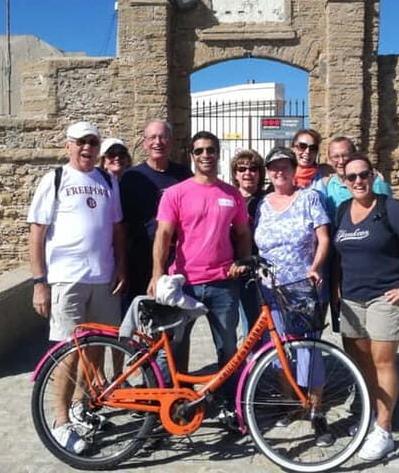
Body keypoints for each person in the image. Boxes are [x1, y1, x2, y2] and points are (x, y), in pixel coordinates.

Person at [27, 121, 127, 454]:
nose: (88, 148)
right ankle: (59, 422)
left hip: (103, 277)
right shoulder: (55, 179)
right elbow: (37, 233)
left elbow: (117, 229)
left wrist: (122, 266)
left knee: (95, 349)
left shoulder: (107, 180)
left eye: (93, 143)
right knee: (68, 352)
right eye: (81, 142)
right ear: (68, 145)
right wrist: (39, 283)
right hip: (67, 279)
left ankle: (80, 406)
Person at [332, 152, 399, 462]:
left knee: (383, 360)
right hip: (351, 298)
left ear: (372, 176)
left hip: (385, 296)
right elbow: (337, 254)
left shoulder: (389, 207)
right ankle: (372, 416)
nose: (358, 181)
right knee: (360, 361)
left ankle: (384, 430)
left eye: (363, 174)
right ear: (344, 182)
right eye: (351, 177)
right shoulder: (342, 210)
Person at [149, 131, 251, 407]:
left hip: (222, 284)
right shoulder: (176, 193)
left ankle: (228, 403)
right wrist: (158, 275)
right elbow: (163, 236)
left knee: (228, 349)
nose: (205, 155)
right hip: (185, 284)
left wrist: (242, 263)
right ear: (192, 155)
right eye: (199, 151)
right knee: (174, 347)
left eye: (211, 150)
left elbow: (242, 233)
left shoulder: (232, 194)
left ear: (218, 153)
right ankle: (167, 405)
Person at [253, 146, 332, 446]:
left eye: (284, 165)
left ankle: (315, 410)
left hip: (300, 287)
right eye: (273, 167)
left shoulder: (309, 198)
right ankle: (292, 404)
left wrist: (315, 266)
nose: (279, 171)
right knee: (278, 349)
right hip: (268, 288)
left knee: (307, 351)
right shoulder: (262, 204)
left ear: (292, 168)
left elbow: (323, 238)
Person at [120, 120, 192, 309]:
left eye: (163, 137)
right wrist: (120, 265)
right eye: (152, 137)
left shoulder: (184, 175)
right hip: (139, 260)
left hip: (175, 261)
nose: (157, 142)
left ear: (171, 142)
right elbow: (122, 224)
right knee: (141, 319)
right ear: (144, 143)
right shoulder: (132, 177)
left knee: (175, 325)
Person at [230, 149, 267, 333]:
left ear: (260, 173)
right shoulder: (228, 198)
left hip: (257, 266)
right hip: (229, 267)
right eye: (242, 168)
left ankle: (256, 359)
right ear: (235, 173)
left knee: (253, 322)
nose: (247, 173)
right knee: (228, 325)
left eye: (253, 168)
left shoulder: (267, 199)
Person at [323, 136, 391, 221]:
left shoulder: (375, 182)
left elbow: (389, 216)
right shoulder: (328, 185)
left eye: (345, 156)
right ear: (329, 159)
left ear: (353, 155)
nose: (341, 161)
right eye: (336, 157)